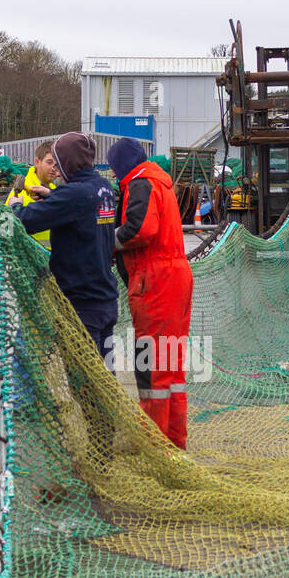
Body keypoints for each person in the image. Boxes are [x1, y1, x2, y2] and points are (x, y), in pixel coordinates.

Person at [105, 137, 194, 449]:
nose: (116, 178)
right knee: (170, 365)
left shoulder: (140, 182)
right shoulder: (159, 182)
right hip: (173, 279)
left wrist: (106, 241)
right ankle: (173, 440)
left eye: (115, 172)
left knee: (151, 366)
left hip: (155, 282)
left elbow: (140, 230)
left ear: (121, 167)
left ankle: (152, 445)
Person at [10, 132, 119, 364]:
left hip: (83, 304)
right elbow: (81, 208)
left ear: (70, 162)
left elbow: (26, 221)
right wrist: (53, 196)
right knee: (106, 377)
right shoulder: (103, 187)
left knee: (86, 381)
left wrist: (15, 207)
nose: (57, 171)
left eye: (59, 164)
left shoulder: (74, 195)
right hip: (106, 300)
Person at [5, 141, 58, 248]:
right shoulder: (21, 192)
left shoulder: (55, 191)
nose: (54, 168)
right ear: (37, 162)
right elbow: (5, 231)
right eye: (49, 162)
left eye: (56, 164)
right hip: (31, 260)